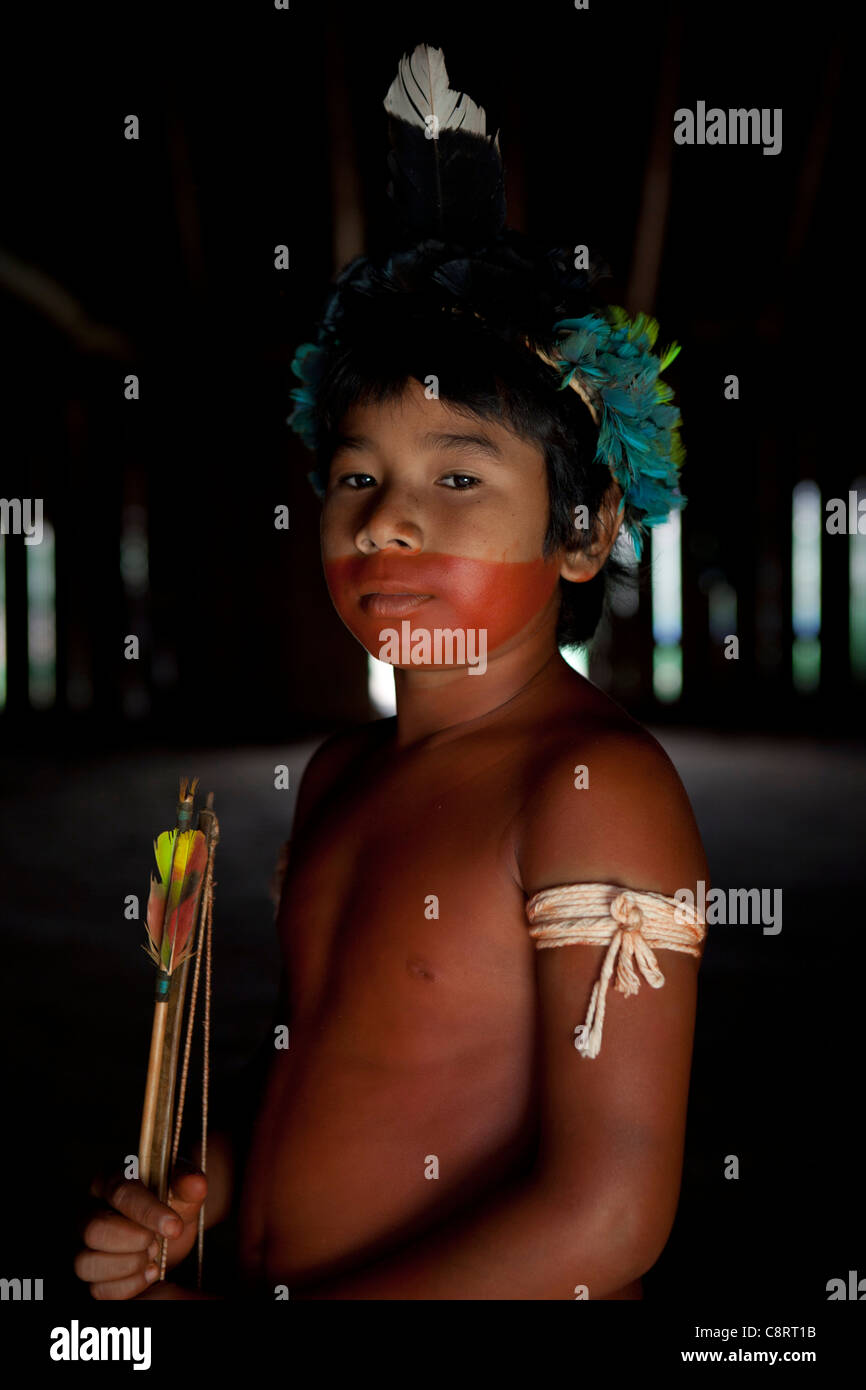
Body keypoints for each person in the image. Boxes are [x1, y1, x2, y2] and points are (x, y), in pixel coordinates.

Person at [75, 43, 709, 1301]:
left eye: (457, 477)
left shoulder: (592, 787)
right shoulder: (339, 770)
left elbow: (605, 1217)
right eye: (357, 476)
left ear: (580, 534)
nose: (386, 524)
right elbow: (342, 1066)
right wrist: (207, 1184)